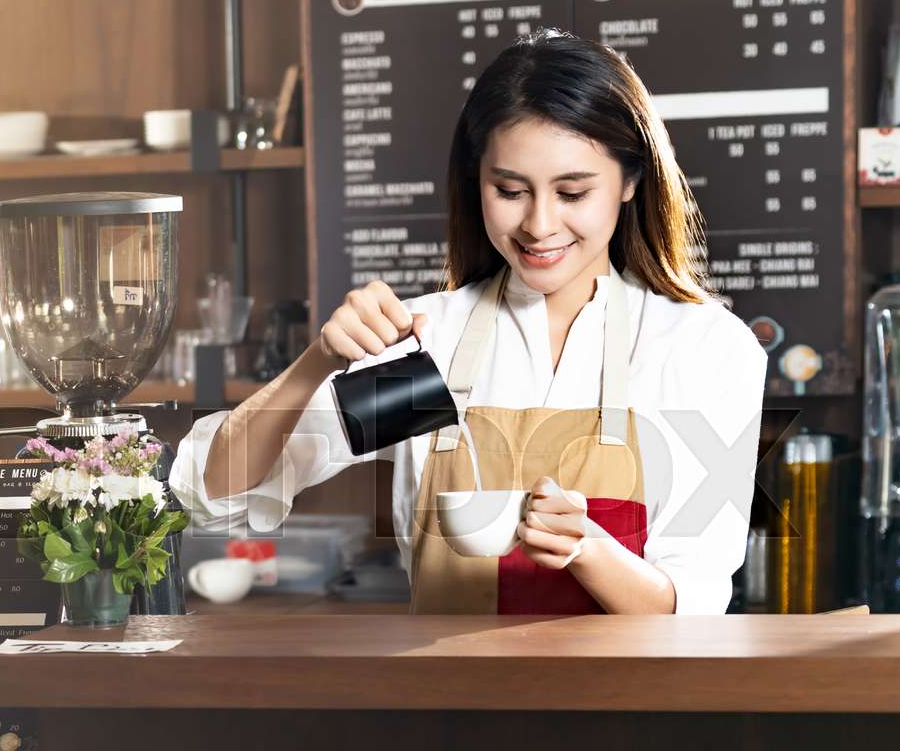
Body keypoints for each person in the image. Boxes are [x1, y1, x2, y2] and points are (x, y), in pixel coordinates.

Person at [172, 30, 767, 615]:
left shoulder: (699, 350)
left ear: (630, 182)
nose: (539, 225)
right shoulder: (433, 348)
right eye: (510, 190)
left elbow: (692, 604)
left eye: (572, 193)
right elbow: (217, 495)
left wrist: (588, 550)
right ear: (476, 182)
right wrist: (317, 362)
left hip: (625, 684)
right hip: (448, 682)